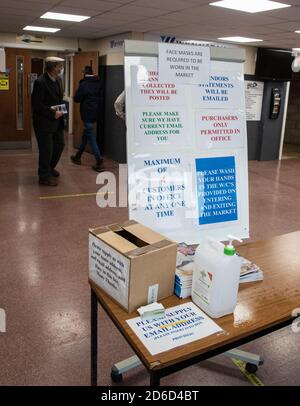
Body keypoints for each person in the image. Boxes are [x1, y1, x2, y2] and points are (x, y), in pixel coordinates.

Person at [32, 56, 65, 186]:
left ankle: (50, 168)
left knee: (60, 145)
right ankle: (44, 176)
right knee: (46, 150)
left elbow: (58, 99)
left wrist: (62, 110)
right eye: (59, 67)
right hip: (43, 123)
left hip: (57, 122)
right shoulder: (40, 82)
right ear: (52, 67)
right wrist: (53, 113)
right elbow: (37, 105)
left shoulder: (58, 81)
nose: (61, 69)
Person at [71, 66, 104, 172]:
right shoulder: (98, 83)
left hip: (87, 114)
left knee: (91, 138)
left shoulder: (84, 84)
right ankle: (78, 156)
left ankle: (99, 161)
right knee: (86, 135)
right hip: (96, 113)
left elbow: (76, 99)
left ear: (84, 73)